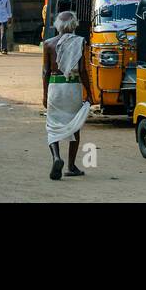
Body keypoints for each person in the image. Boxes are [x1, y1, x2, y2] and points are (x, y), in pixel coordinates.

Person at [42, 11, 93, 180]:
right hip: (73, 89)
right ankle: (71, 166)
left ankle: (56, 157)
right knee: (75, 125)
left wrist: (44, 94)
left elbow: (45, 71)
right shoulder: (79, 42)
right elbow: (82, 70)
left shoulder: (48, 43)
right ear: (73, 25)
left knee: (52, 125)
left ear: (58, 25)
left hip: (55, 88)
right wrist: (89, 92)